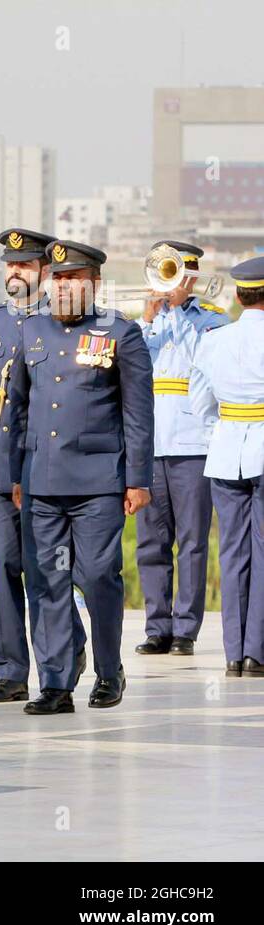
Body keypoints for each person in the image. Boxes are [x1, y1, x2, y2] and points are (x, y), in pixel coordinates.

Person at [6, 239, 154, 714]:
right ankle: (55, 681)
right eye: (59, 278)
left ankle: (109, 670)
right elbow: (18, 409)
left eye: (75, 279)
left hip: (98, 482)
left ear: (95, 284)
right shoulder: (32, 331)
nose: (65, 287)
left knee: (96, 578)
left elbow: (137, 414)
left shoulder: (120, 333)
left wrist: (138, 479)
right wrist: (15, 474)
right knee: (47, 579)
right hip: (42, 479)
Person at [0, 228, 86, 703]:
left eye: (23, 264)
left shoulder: (63, 321)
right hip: (0, 462)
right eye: (9, 264)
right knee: (3, 567)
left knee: (47, 569)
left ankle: (63, 659)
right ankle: (10, 671)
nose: (14, 271)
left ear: (45, 271)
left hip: (44, 465)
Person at [134, 241, 228, 657]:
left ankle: (186, 629)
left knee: (191, 541)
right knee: (150, 542)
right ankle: (157, 626)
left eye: (178, 275)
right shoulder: (145, 326)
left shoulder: (212, 321)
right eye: (167, 273)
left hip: (194, 443)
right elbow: (131, 367)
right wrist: (148, 319)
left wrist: (180, 312)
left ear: (191, 277)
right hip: (150, 444)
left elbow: (207, 365)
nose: (171, 283)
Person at [188, 255, 264, 676]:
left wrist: (226, 428)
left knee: (232, 552)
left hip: (225, 453)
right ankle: (257, 652)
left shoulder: (214, 339)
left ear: (238, 294)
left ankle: (234, 654)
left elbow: (199, 406)